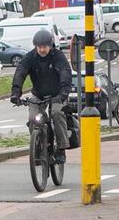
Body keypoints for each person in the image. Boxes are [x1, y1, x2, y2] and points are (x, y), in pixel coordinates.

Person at [10, 29, 73, 163]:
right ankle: (37, 146)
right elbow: (20, 73)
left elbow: (65, 73)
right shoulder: (30, 58)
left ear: (50, 46)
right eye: (39, 47)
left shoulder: (58, 56)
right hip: (38, 94)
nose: (42, 49)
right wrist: (16, 93)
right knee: (33, 118)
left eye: (44, 46)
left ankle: (61, 149)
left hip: (57, 94)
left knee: (57, 113)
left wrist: (64, 93)